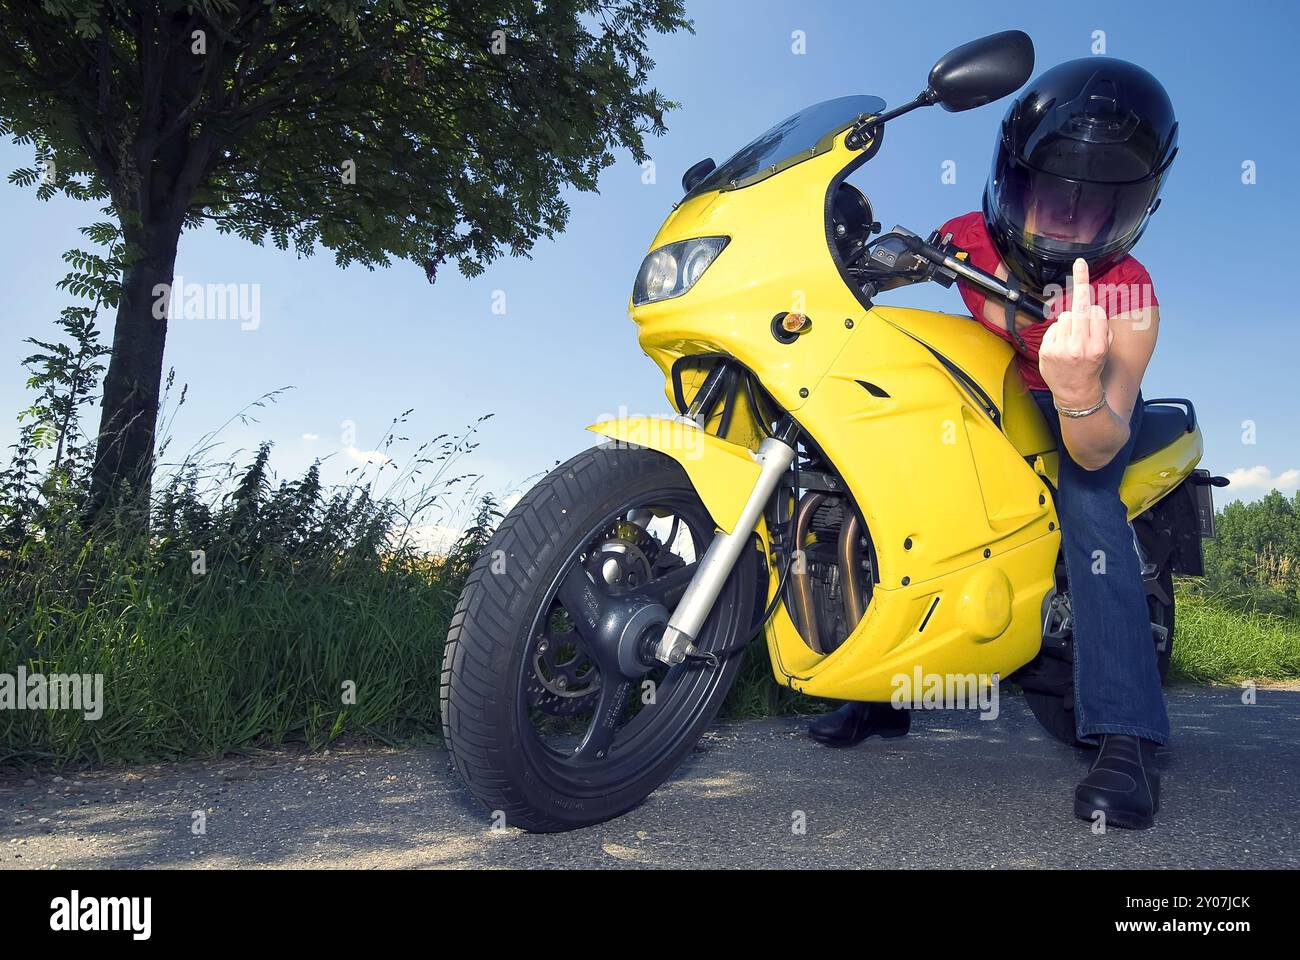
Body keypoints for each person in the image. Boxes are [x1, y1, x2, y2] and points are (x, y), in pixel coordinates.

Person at [809, 56, 1179, 830]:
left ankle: (1127, 736)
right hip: (993, 390)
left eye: (1094, 211)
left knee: (1089, 507)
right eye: (1048, 200)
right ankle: (883, 689)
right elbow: (881, 279)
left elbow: (1100, 442)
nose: (1064, 228)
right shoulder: (970, 237)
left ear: (1136, 209)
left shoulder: (1131, 297)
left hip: (1084, 413)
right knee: (902, 472)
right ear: (1011, 181)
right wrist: (847, 256)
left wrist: (1078, 391)